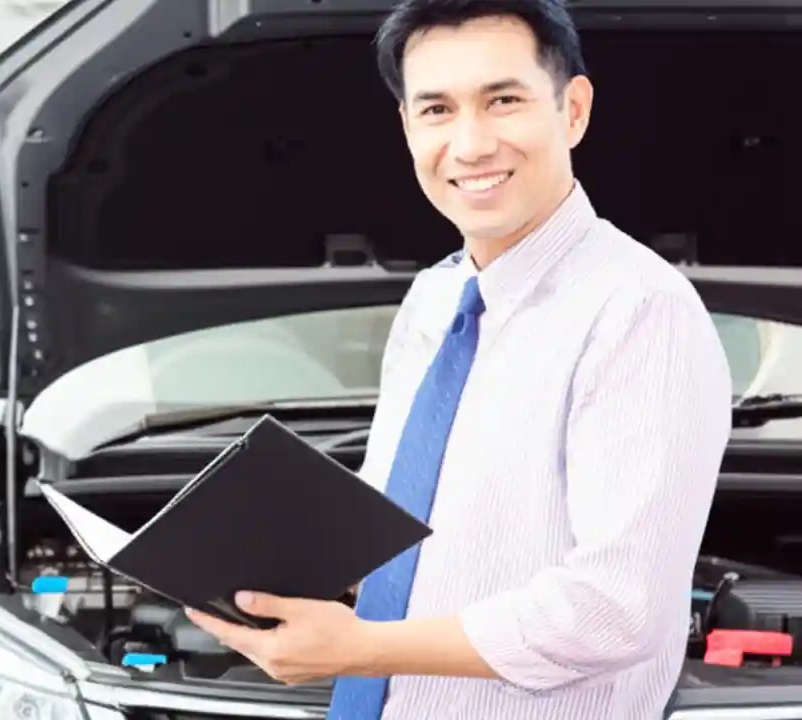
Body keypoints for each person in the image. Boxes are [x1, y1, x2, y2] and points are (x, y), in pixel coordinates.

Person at [183, 0, 733, 717]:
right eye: (437, 110)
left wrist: (359, 648)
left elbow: (615, 609)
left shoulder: (639, 310)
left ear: (573, 110)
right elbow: (398, 539)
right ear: (408, 128)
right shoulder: (435, 298)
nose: (470, 145)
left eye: (502, 100)